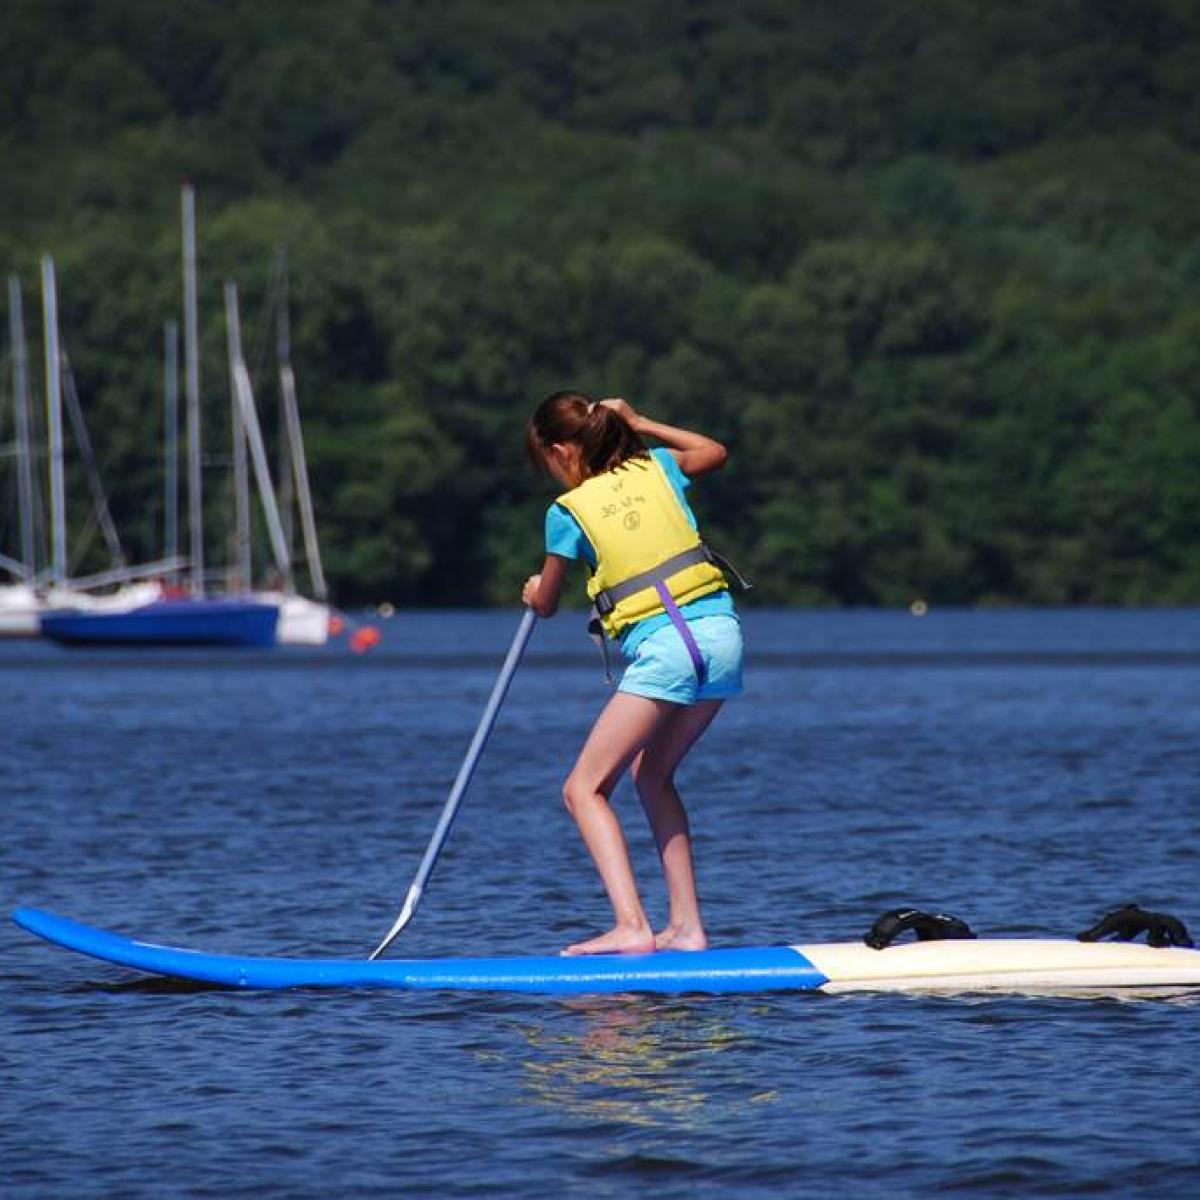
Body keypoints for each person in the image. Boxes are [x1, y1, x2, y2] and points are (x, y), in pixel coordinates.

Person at [522, 391, 744, 956]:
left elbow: (546, 602)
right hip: (721, 640)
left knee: (583, 788)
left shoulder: (567, 512)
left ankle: (632, 926)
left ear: (559, 451)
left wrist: (532, 591)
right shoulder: (659, 466)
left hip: (669, 650)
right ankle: (687, 928)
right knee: (653, 777)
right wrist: (641, 421)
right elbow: (713, 450)